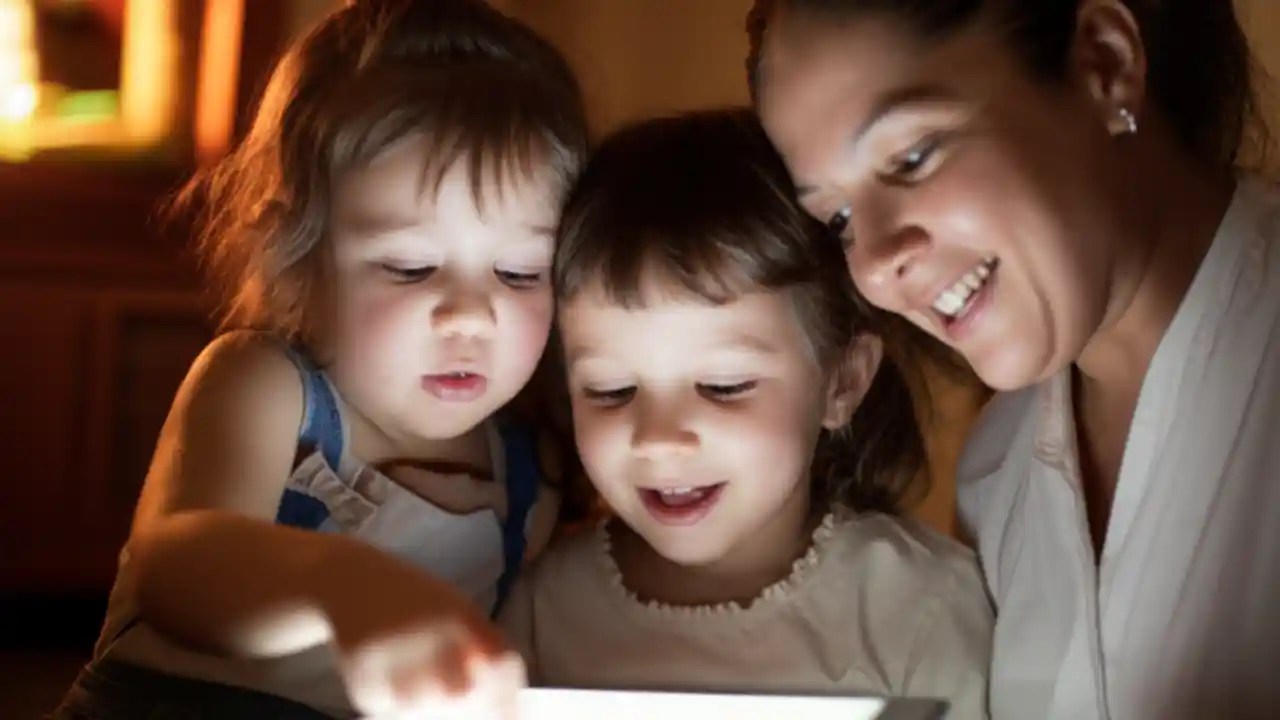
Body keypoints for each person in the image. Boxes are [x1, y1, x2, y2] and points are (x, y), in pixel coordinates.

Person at [53, 0, 587, 717]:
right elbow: (178, 566)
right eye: (409, 267)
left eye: (520, 273)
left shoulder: (533, 479)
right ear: (293, 259)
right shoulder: (267, 386)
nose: (470, 314)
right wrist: (345, 591)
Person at [748, 1, 1280, 718]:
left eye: (911, 157)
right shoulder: (995, 475)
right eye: (837, 220)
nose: (874, 267)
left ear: (1105, 64)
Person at [499, 109, 993, 719]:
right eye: (611, 390)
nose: (658, 440)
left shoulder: (925, 608)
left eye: (724, 385)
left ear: (842, 380)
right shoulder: (544, 610)